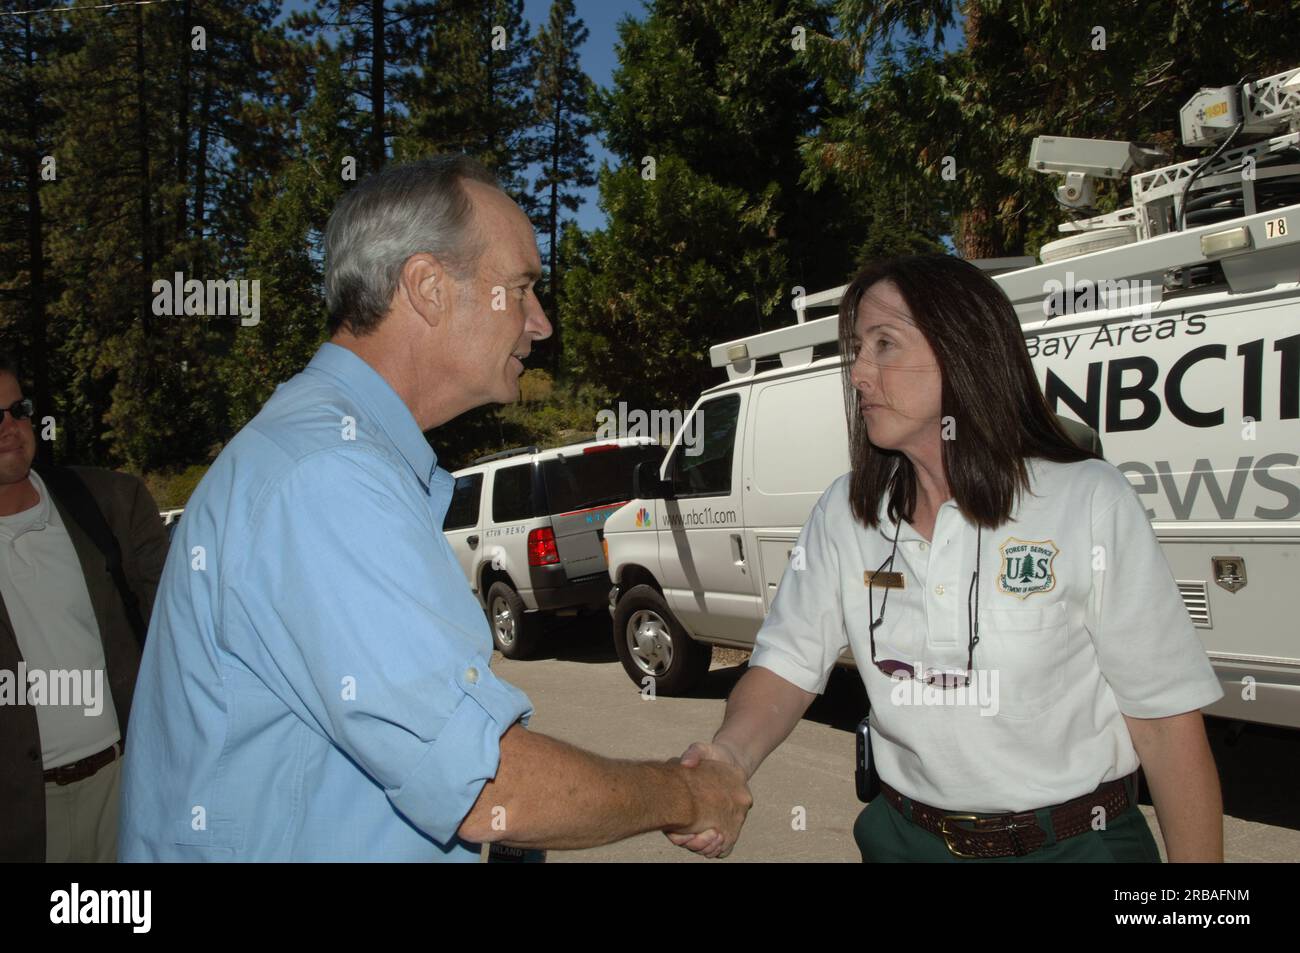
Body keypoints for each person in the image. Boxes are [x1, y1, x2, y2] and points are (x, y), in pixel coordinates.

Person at [118, 156, 750, 861]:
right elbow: (486, 783)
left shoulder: (329, 454)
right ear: (426, 287)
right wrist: (687, 793)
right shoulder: (325, 476)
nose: (539, 322)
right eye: (521, 288)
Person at [670, 254, 1224, 862]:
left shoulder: (1087, 500)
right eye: (857, 349)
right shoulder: (845, 513)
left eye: (884, 344)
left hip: (1076, 846)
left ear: (963, 352)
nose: (858, 374)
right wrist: (728, 758)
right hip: (905, 841)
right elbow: (787, 666)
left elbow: (1166, 725)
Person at [0, 358, 168, 862]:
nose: (8, 427)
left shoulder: (109, 503)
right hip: (24, 819)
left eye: (17, 409)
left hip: (127, 785)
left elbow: (182, 623)